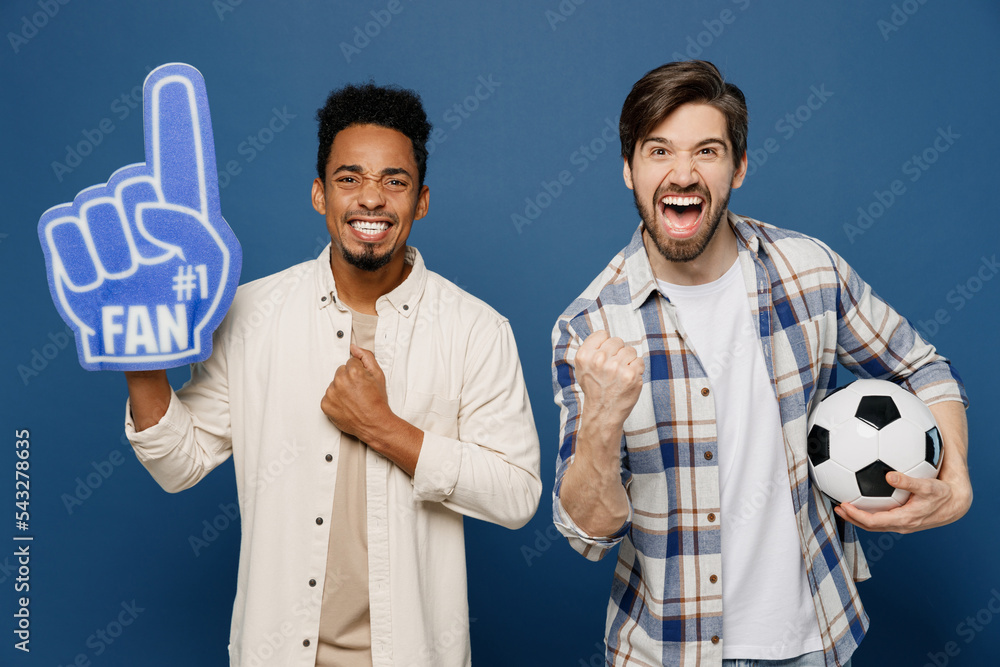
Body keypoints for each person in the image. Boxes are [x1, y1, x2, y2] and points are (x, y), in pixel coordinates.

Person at [550, 60, 970, 667]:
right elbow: (589, 534)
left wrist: (954, 479)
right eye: (658, 150)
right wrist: (601, 423)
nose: (683, 173)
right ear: (629, 169)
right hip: (667, 651)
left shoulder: (810, 270)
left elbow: (925, 368)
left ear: (738, 167)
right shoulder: (588, 326)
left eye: (708, 151)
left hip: (816, 637)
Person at [124, 83, 541, 667]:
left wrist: (384, 427)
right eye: (349, 179)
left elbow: (517, 493)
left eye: (393, 182)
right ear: (320, 194)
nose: (371, 200)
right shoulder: (249, 315)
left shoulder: (476, 329)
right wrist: (135, 354)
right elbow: (179, 464)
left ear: (420, 201)